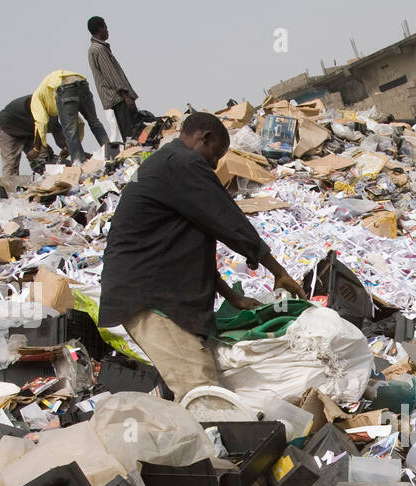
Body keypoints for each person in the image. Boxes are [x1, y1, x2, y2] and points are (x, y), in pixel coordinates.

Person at [99, 112, 306, 401]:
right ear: (204, 138)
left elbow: (183, 247)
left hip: (147, 293)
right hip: (152, 299)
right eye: (216, 155)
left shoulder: (166, 165)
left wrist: (230, 296)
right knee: (203, 393)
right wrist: (278, 270)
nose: (215, 164)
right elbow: (228, 220)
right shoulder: (184, 163)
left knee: (195, 389)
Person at [30, 69, 109, 165]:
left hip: (64, 86)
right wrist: (70, 147)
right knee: (94, 122)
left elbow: (41, 122)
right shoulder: (50, 99)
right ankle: (110, 153)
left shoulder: (36, 99)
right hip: (81, 82)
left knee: (69, 131)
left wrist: (36, 148)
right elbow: (79, 123)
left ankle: (79, 162)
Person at [87, 16, 142, 143]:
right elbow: (111, 76)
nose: (107, 30)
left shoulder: (96, 48)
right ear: (99, 29)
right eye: (105, 27)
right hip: (118, 98)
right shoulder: (99, 49)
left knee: (129, 132)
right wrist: (126, 96)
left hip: (115, 98)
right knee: (130, 134)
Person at [0, 94, 67, 179]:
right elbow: (41, 124)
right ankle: (10, 189)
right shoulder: (40, 103)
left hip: (28, 129)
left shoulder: (54, 112)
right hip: (8, 128)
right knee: (11, 165)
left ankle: (52, 182)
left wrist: (69, 148)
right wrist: (36, 148)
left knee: (44, 157)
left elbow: (59, 135)